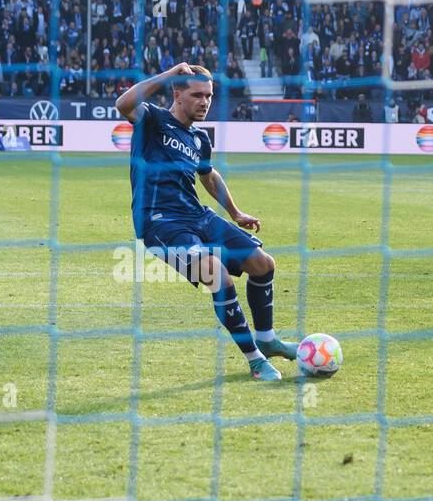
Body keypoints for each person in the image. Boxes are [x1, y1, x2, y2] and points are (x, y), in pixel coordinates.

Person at [115, 63, 297, 381]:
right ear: (178, 94)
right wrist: (170, 73)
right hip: (160, 222)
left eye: (209, 96)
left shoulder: (199, 138)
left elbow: (208, 176)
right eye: (197, 95)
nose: (204, 102)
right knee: (217, 273)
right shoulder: (153, 121)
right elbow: (123, 104)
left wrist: (235, 212)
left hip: (198, 216)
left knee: (262, 263)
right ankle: (255, 361)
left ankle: (267, 340)